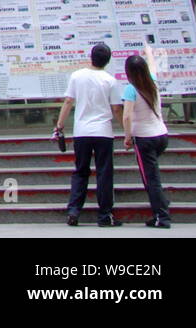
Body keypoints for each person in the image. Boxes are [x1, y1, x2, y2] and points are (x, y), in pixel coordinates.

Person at [55, 42, 124, 227]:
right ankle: (104, 216)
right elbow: (116, 108)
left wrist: (60, 125)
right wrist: (126, 130)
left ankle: (74, 211)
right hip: (103, 132)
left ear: (91, 57)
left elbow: (69, 101)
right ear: (107, 60)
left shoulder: (77, 76)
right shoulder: (110, 80)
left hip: (82, 132)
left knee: (80, 171)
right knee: (104, 173)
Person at [123, 53, 171, 228]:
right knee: (151, 176)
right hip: (161, 135)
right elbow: (152, 66)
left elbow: (127, 116)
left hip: (145, 138)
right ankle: (161, 204)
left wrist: (127, 137)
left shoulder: (131, 88)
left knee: (151, 179)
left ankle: (162, 216)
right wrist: (149, 52)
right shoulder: (153, 81)